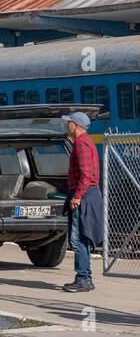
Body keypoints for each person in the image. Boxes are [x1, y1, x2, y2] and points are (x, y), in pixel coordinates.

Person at [62, 111, 102, 293]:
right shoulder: (84, 142)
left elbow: (86, 175)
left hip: (84, 197)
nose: (66, 125)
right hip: (87, 195)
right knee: (82, 238)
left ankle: (83, 279)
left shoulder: (81, 145)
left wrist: (77, 196)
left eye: (68, 122)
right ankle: (85, 277)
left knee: (78, 239)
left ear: (75, 125)